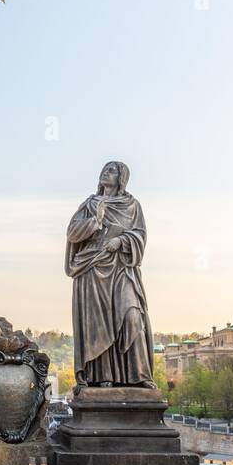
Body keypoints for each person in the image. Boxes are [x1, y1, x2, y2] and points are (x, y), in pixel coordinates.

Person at [65, 161, 156, 389]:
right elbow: (72, 233)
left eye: (113, 170)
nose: (106, 172)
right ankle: (102, 375)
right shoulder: (90, 204)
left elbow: (140, 236)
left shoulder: (132, 205)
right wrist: (94, 223)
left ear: (122, 178)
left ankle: (139, 375)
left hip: (122, 267)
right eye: (105, 169)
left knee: (132, 315)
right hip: (92, 268)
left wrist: (121, 240)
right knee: (98, 324)